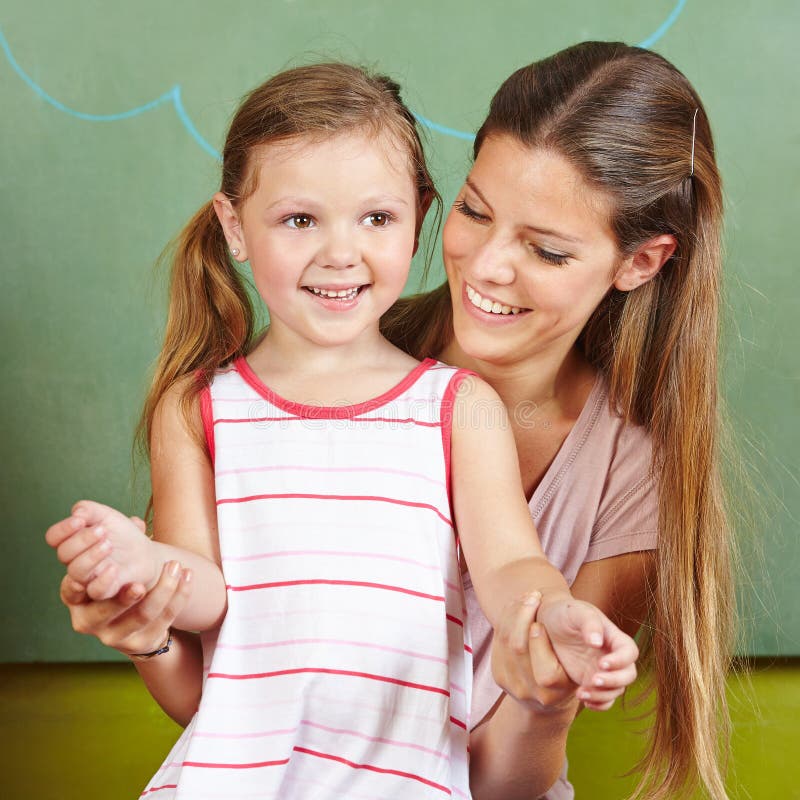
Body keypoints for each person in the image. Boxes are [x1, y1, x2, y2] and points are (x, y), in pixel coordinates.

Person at [48, 41, 734, 800]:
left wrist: (548, 660)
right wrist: (143, 603)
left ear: (639, 263)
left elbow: (512, 584)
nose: (486, 266)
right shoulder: (215, 401)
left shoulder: (487, 419)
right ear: (234, 227)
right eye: (475, 211)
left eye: (544, 248)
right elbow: (219, 677)